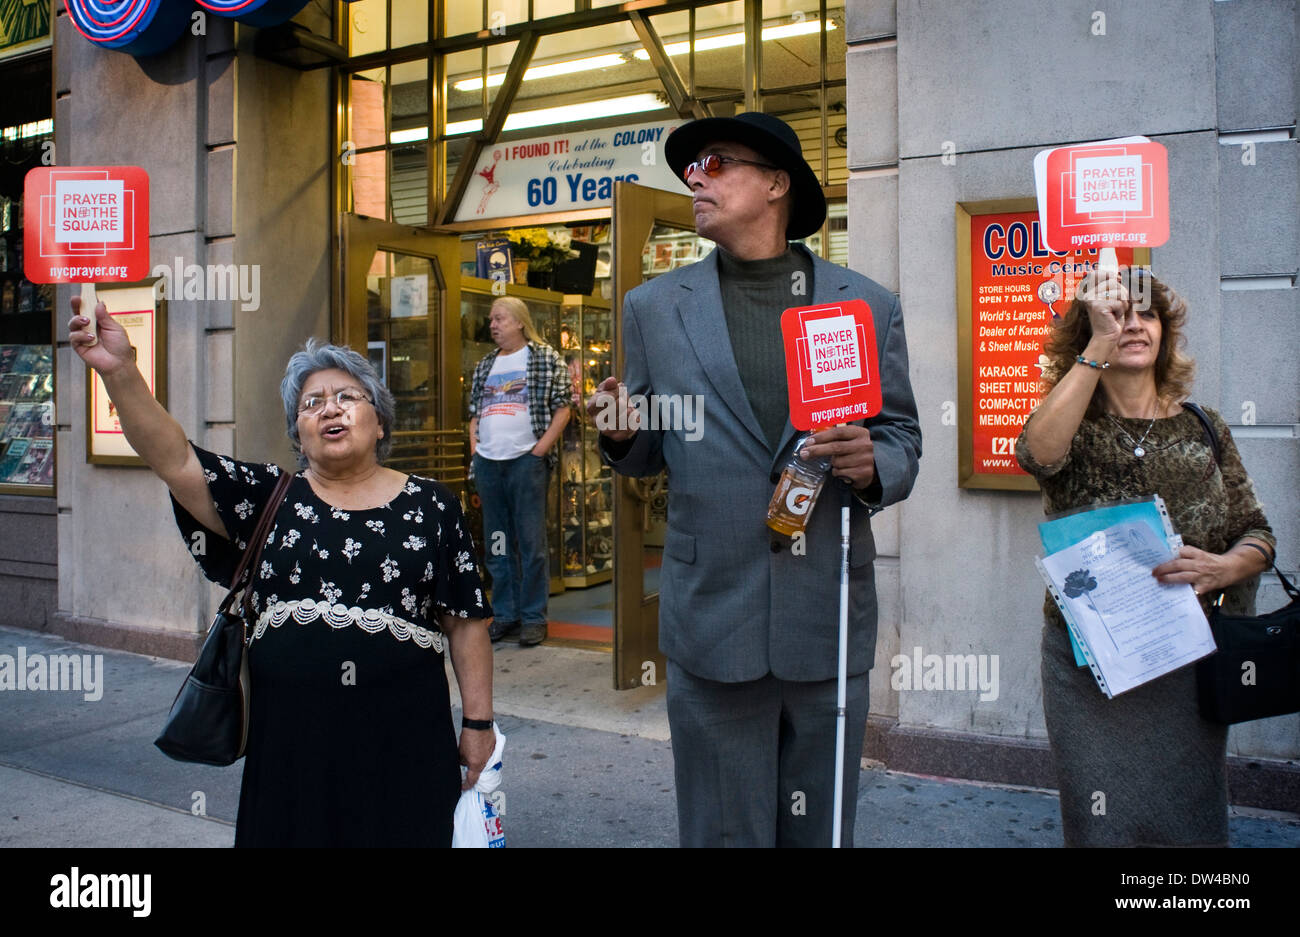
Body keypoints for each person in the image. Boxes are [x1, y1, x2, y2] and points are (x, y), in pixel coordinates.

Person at [588, 112, 922, 847]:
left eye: (715, 162)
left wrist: (875, 464)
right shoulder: (654, 308)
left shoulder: (863, 303)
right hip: (713, 618)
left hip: (825, 616)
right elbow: (648, 450)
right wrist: (622, 433)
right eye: (690, 169)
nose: (694, 178)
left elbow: (901, 436)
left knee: (819, 831)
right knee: (721, 831)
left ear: (776, 183)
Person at [70, 307, 495, 847]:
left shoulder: (434, 505)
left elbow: (466, 623)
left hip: (404, 741)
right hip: (290, 748)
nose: (328, 409)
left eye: (346, 396)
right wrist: (120, 371)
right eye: (311, 403)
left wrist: (478, 726)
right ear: (298, 431)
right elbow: (174, 458)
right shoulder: (268, 497)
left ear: (380, 421)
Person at [1016, 266, 1275, 847]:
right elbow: (1036, 455)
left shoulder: (1204, 427)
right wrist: (1097, 346)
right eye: (1115, 315)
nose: (1133, 324)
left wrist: (1225, 567)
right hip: (1092, 668)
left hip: (1187, 658)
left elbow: (1257, 533)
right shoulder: (1073, 425)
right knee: (1100, 823)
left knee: (1190, 821)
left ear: (1166, 331)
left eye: (1146, 313)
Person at [468, 295, 572, 646]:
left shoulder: (544, 358)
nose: (492, 324)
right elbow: (474, 413)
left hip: (526, 462)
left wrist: (539, 450)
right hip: (488, 463)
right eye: (492, 319)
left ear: (518, 322)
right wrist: (476, 451)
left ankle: (532, 618)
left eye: (499, 318)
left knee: (531, 543)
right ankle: (506, 614)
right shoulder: (485, 364)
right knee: (497, 543)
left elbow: (564, 408)